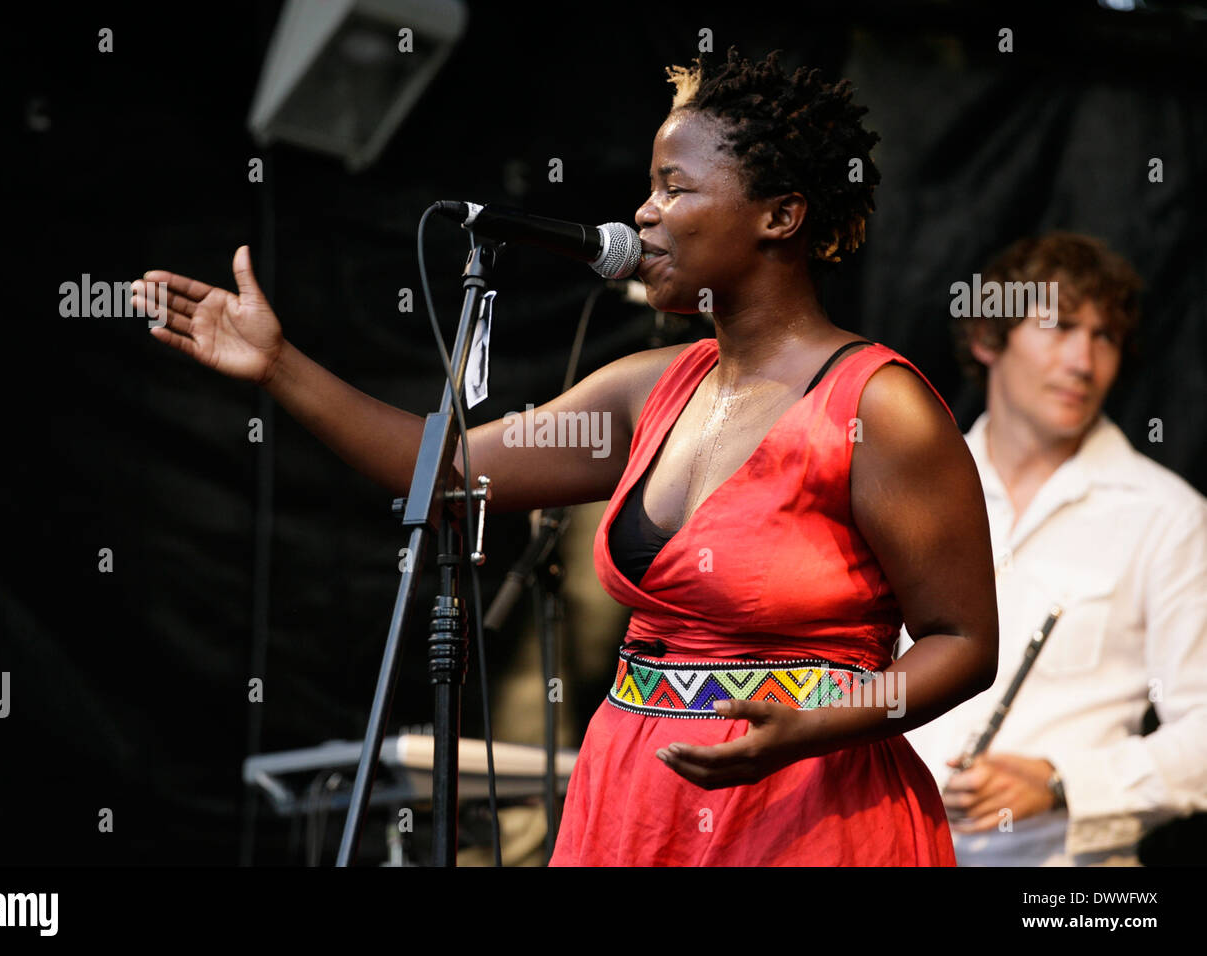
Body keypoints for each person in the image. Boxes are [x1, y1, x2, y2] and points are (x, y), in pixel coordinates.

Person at [134, 48, 999, 866]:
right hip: (632, 801)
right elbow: (440, 474)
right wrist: (279, 366)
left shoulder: (879, 407)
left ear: (780, 215)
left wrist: (823, 724)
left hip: (807, 811)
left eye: (674, 187)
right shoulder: (644, 389)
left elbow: (964, 641)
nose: (644, 213)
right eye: (647, 190)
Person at [900, 232, 1207, 866]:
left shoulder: (1168, 517)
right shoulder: (906, 488)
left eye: (1105, 338)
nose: (1083, 362)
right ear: (987, 339)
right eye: (1061, 326)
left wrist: (1063, 782)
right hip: (891, 853)